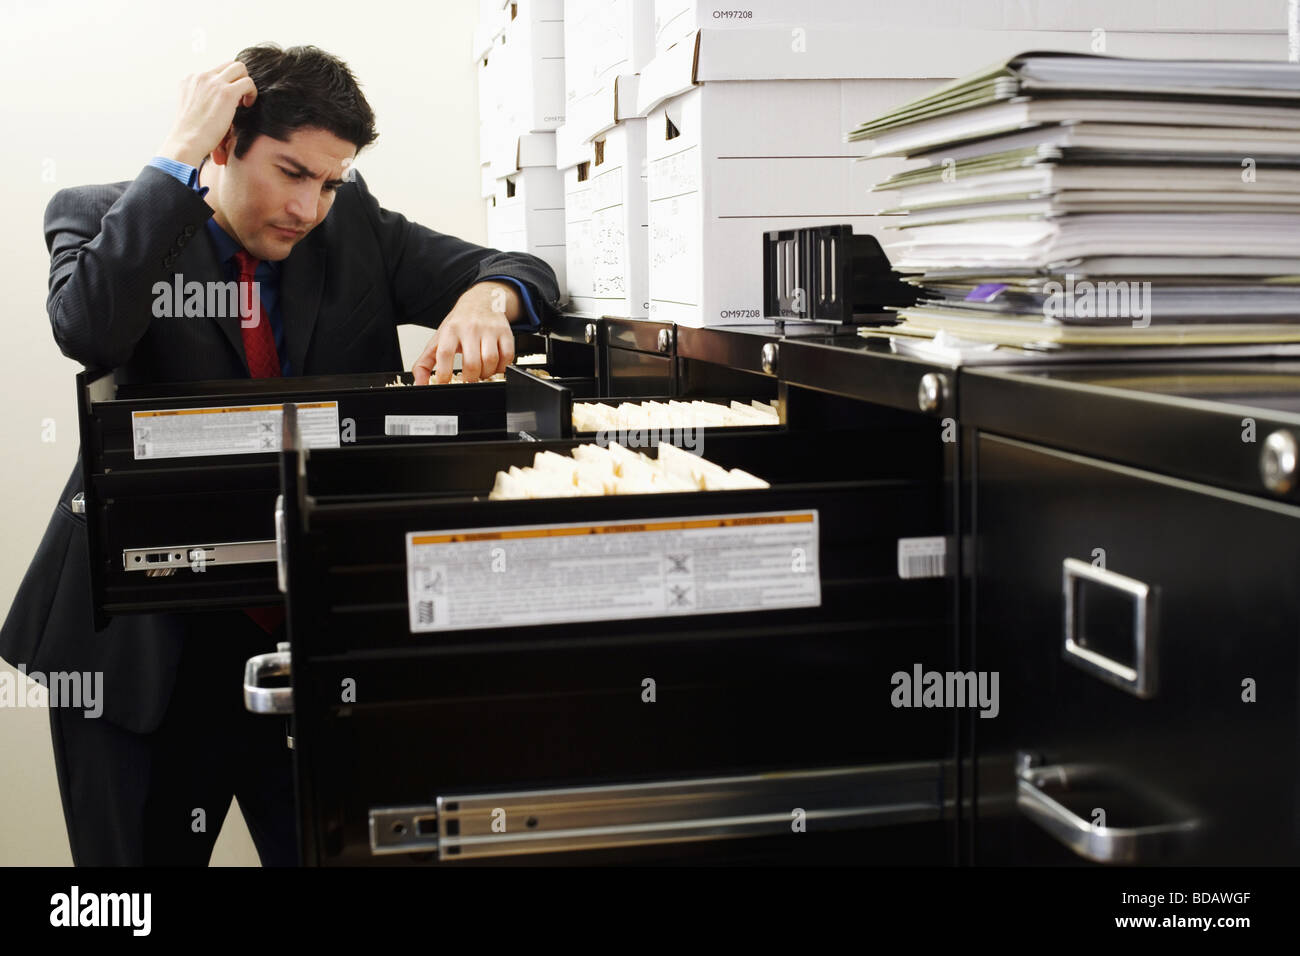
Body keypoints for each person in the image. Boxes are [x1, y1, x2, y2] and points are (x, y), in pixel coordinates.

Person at [0, 44, 562, 866]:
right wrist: (176, 156)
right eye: (292, 172)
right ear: (225, 143)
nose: (310, 206)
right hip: (141, 655)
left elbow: (522, 270)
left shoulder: (356, 227)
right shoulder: (101, 215)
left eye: (329, 182)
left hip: (309, 645)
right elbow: (86, 329)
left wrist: (487, 295)